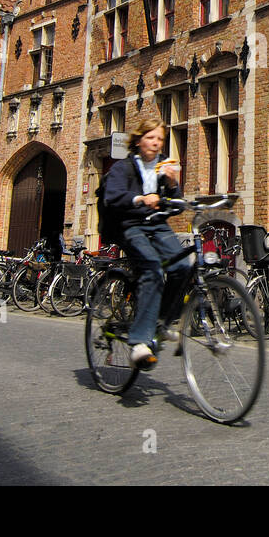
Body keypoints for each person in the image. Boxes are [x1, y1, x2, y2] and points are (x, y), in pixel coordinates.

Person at [102, 118, 185, 370]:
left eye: (160, 139)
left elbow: (174, 206)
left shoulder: (163, 168)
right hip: (131, 225)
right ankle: (139, 341)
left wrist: (172, 186)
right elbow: (113, 196)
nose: (156, 143)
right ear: (138, 141)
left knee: (183, 264)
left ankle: (162, 320)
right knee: (151, 267)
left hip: (157, 225)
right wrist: (140, 198)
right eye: (151, 137)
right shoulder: (123, 168)